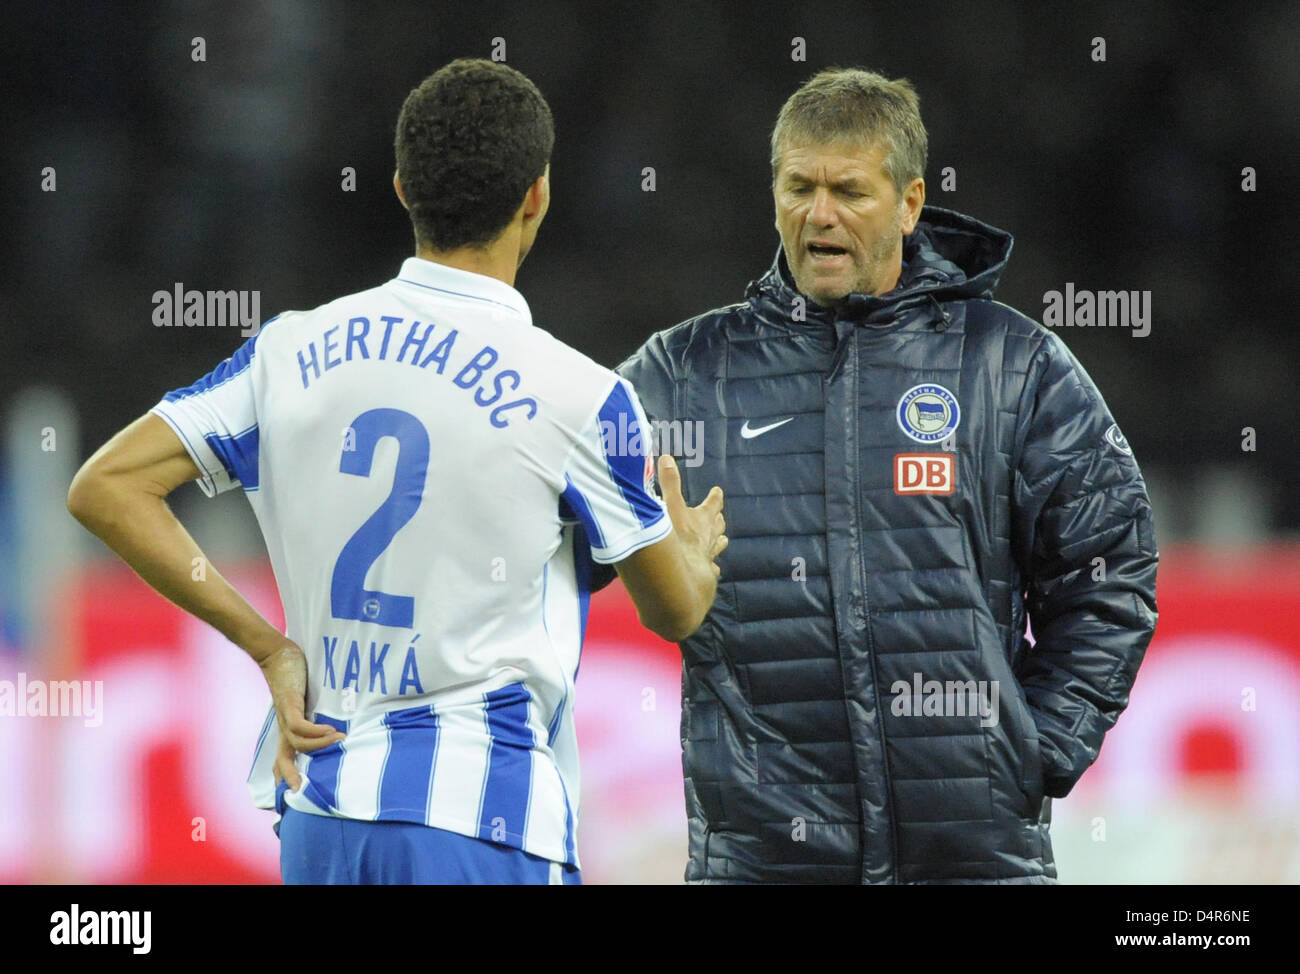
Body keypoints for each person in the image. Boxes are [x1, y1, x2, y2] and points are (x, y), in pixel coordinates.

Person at [65, 58, 726, 885]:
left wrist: (267, 647)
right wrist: (692, 548)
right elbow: (674, 611)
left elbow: (104, 487)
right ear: (537, 196)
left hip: (321, 814)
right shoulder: (585, 396)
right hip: (483, 821)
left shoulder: (289, 351)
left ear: (402, 187)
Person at [607, 67, 1158, 883]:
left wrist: (1034, 751)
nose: (818, 214)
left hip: (974, 860)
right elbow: (533, 509)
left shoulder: (1009, 366)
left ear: (908, 203)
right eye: (798, 187)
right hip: (763, 862)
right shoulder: (682, 373)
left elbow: (1110, 570)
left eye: (848, 192)